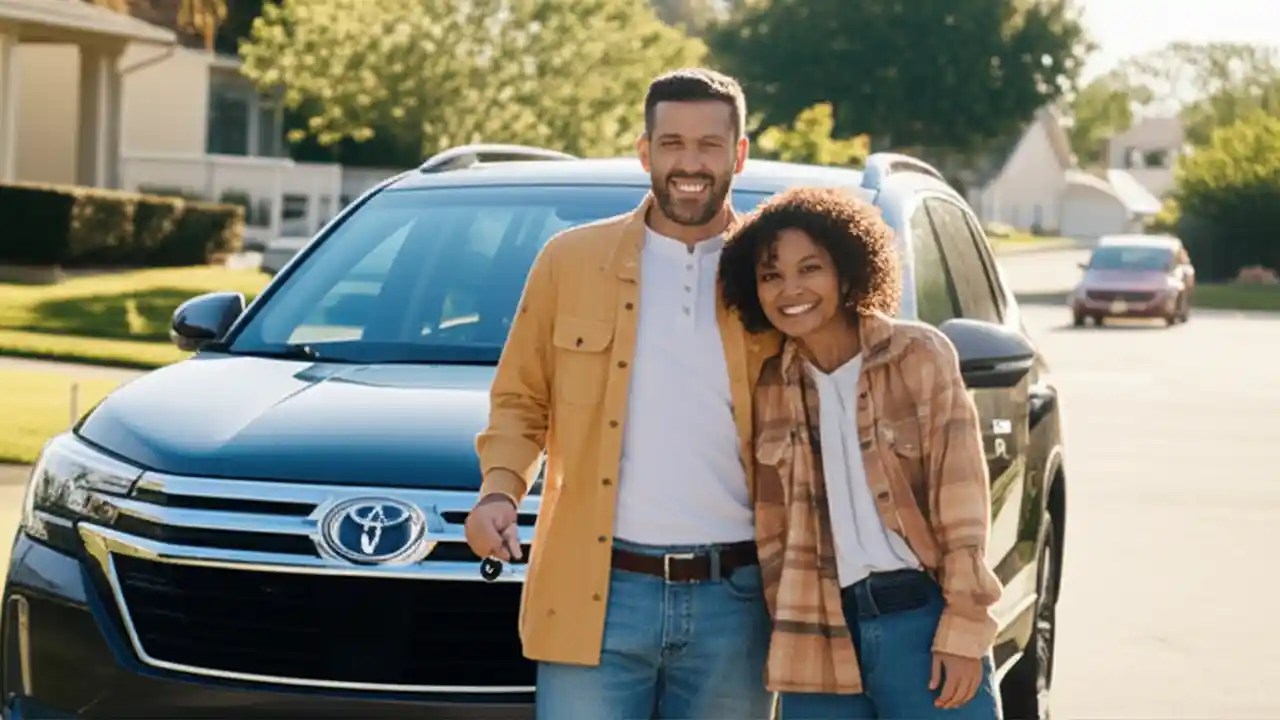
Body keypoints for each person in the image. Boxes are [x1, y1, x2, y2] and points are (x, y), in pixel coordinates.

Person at [465, 67, 780, 720]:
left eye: (708, 145)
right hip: (598, 591)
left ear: (739, 154)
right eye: (671, 144)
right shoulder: (569, 262)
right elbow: (522, 399)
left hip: (740, 601)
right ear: (645, 151)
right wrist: (500, 490)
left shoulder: (775, 275)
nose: (688, 163)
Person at [717, 186, 1004, 719]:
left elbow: (963, 503)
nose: (790, 289)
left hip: (919, 623)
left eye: (810, 268)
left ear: (848, 272)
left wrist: (964, 627)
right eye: (771, 275)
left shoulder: (917, 356)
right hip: (815, 636)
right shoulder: (769, 387)